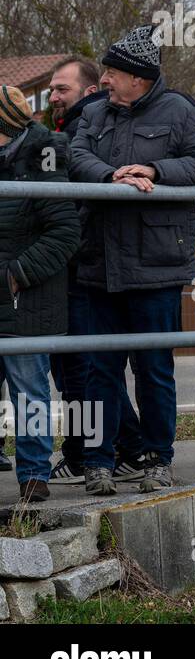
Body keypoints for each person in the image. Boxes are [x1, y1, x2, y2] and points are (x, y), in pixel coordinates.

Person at [69, 25, 195, 495]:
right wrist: (110, 176)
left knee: (154, 369)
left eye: (112, 73)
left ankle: (158, 459)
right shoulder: (94, 112)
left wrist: (155, 170)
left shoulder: (182, 111)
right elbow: (74, 156)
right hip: (98, 262)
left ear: (138, 77)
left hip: (157, 265)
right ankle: (98, 462)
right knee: (98, 370)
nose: (104, 80)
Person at [43, 56, 148, 485]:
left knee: (82, 368)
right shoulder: (68, 132)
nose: (53, 97)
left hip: (81, 264)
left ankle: (111, 450)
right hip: (72, 263)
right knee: (80, 367)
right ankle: (110, 449)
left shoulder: (84, 135)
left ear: (89, 91)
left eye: (61, 89)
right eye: (51, 89)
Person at [0, 86, 80, 502]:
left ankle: (34, 477)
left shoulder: (43, 164)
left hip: (25, 302)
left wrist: (15, 276)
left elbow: (65, 232)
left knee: (29, 392)